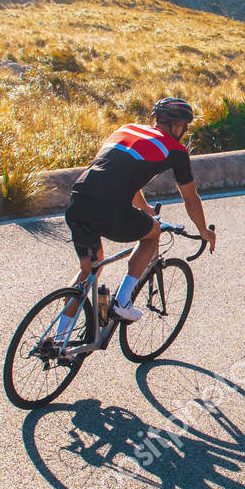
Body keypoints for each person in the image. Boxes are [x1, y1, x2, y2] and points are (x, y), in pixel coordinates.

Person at [58, 98, 215, 334]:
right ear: (178, 125)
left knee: (90, 270)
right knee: (153, 233)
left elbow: (118, 173)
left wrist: (144, 208)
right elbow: (191, 199)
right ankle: (122, 301)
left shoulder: (126, 129)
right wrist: (204, 231)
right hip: (110, 208)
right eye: (185, 126)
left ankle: (58, 338)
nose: (185, 132)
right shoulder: (176, 150)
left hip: (78, 201)